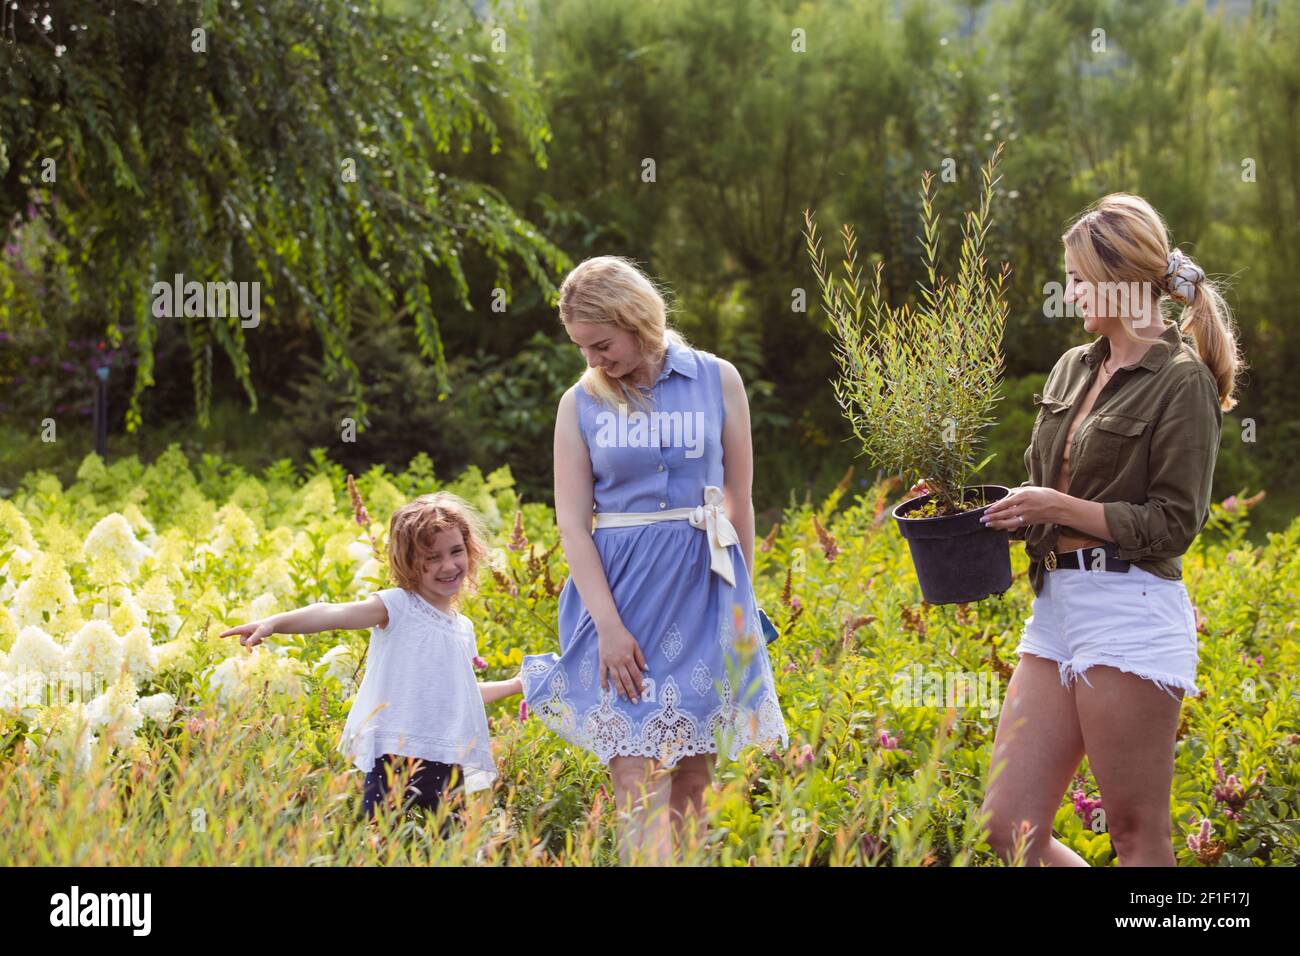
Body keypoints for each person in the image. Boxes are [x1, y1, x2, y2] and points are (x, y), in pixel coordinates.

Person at [961, 192, 1240, 865]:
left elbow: (1174, 524)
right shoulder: (1072, 368)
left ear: (1122, 281)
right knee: (1008, 828)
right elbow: (1053, 489)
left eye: (1081, 280)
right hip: (1056, 607)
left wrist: (1055, 508)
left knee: (1136, 834)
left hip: (1129, 609)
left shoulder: (1182, 382)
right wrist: (975, 513)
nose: (1071, 293)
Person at [521, 255, 789, 865]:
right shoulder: (578, 404)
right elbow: (572, 522)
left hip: (704, 592)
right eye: (582, 348)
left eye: (601, 343)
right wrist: (610, 629)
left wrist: (740, 610)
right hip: (622, 601)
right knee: (634, 772)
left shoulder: (719, 380)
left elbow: (740, 498)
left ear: (635, 318)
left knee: (695, 771)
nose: (593, 360)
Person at [219, 492, 524, 824]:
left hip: (447, 757)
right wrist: (274, 623)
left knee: (448, 850)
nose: (449, 565)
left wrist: (517, 684)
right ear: (408, 562)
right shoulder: (398, 606)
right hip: (394, 757)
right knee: (381, 845)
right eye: (432, 557)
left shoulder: (462, 628)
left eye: (456, 551)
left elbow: (459, 694)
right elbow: (333, 613)